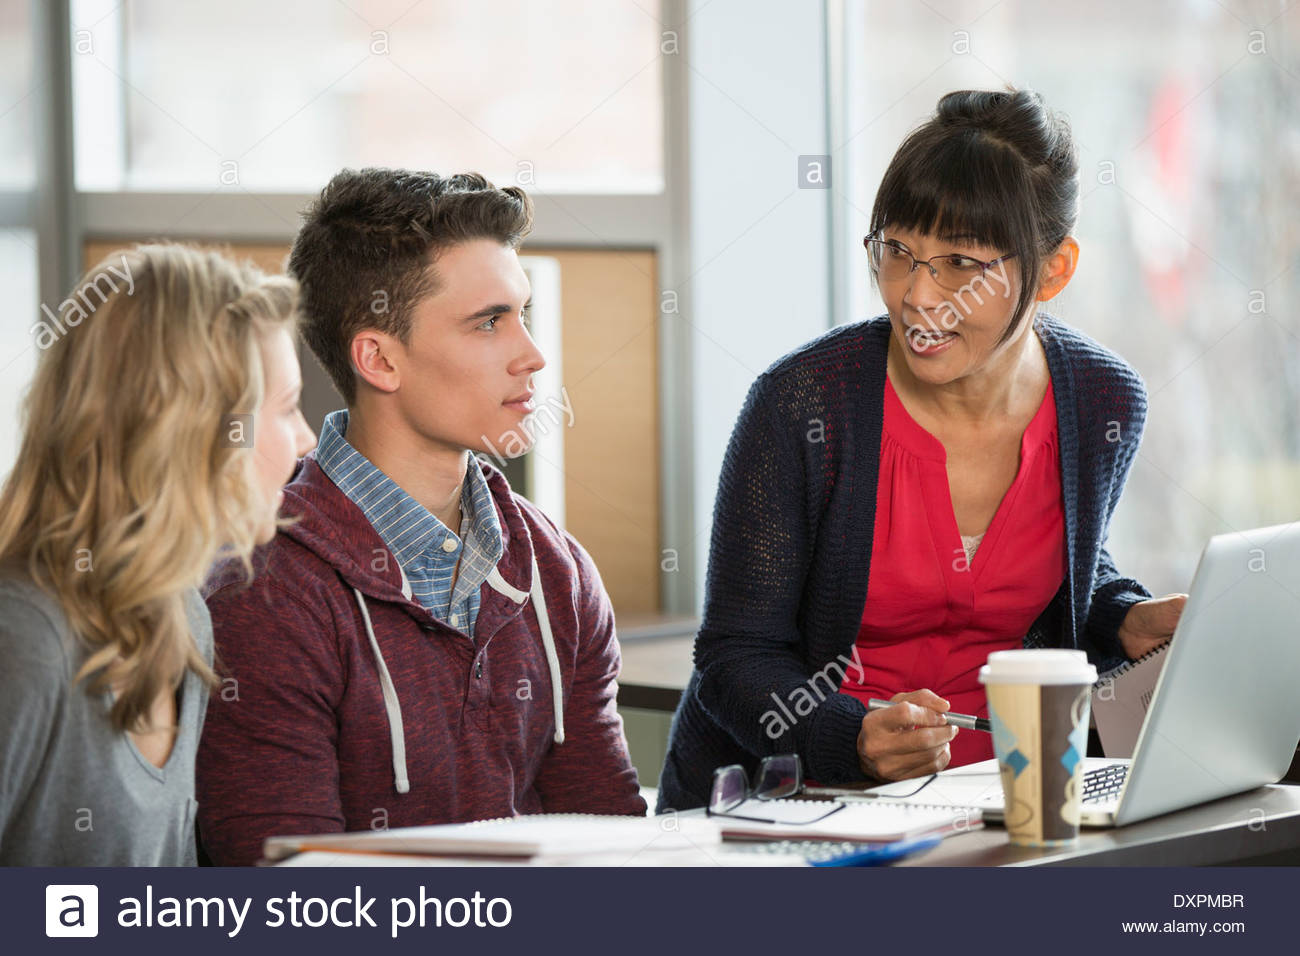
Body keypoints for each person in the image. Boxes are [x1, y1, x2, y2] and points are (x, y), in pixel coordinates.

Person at [658, 88, 1188, 811]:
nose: (917, 296)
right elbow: (732, 659)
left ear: (1055, 270)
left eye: (962, 264)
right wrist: (851, 737)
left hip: (1008, 801)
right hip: (802, 804)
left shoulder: (1102, 402)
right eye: (899, 252)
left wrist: (1122, 616)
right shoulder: (805, 403)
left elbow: (1061, 572)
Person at [196, 168, 646, 866]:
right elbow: (286, 899)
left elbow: (614, 845)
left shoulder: (557, 569)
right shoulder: (264, 593)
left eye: (520, 315)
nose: (532, 356)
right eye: (490, 322)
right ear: (378, 358)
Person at [0, 244, 314, 865]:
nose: (306, 438)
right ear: (194, 430)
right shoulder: (24, 639)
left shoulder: (184, 621)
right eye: (285, 407)